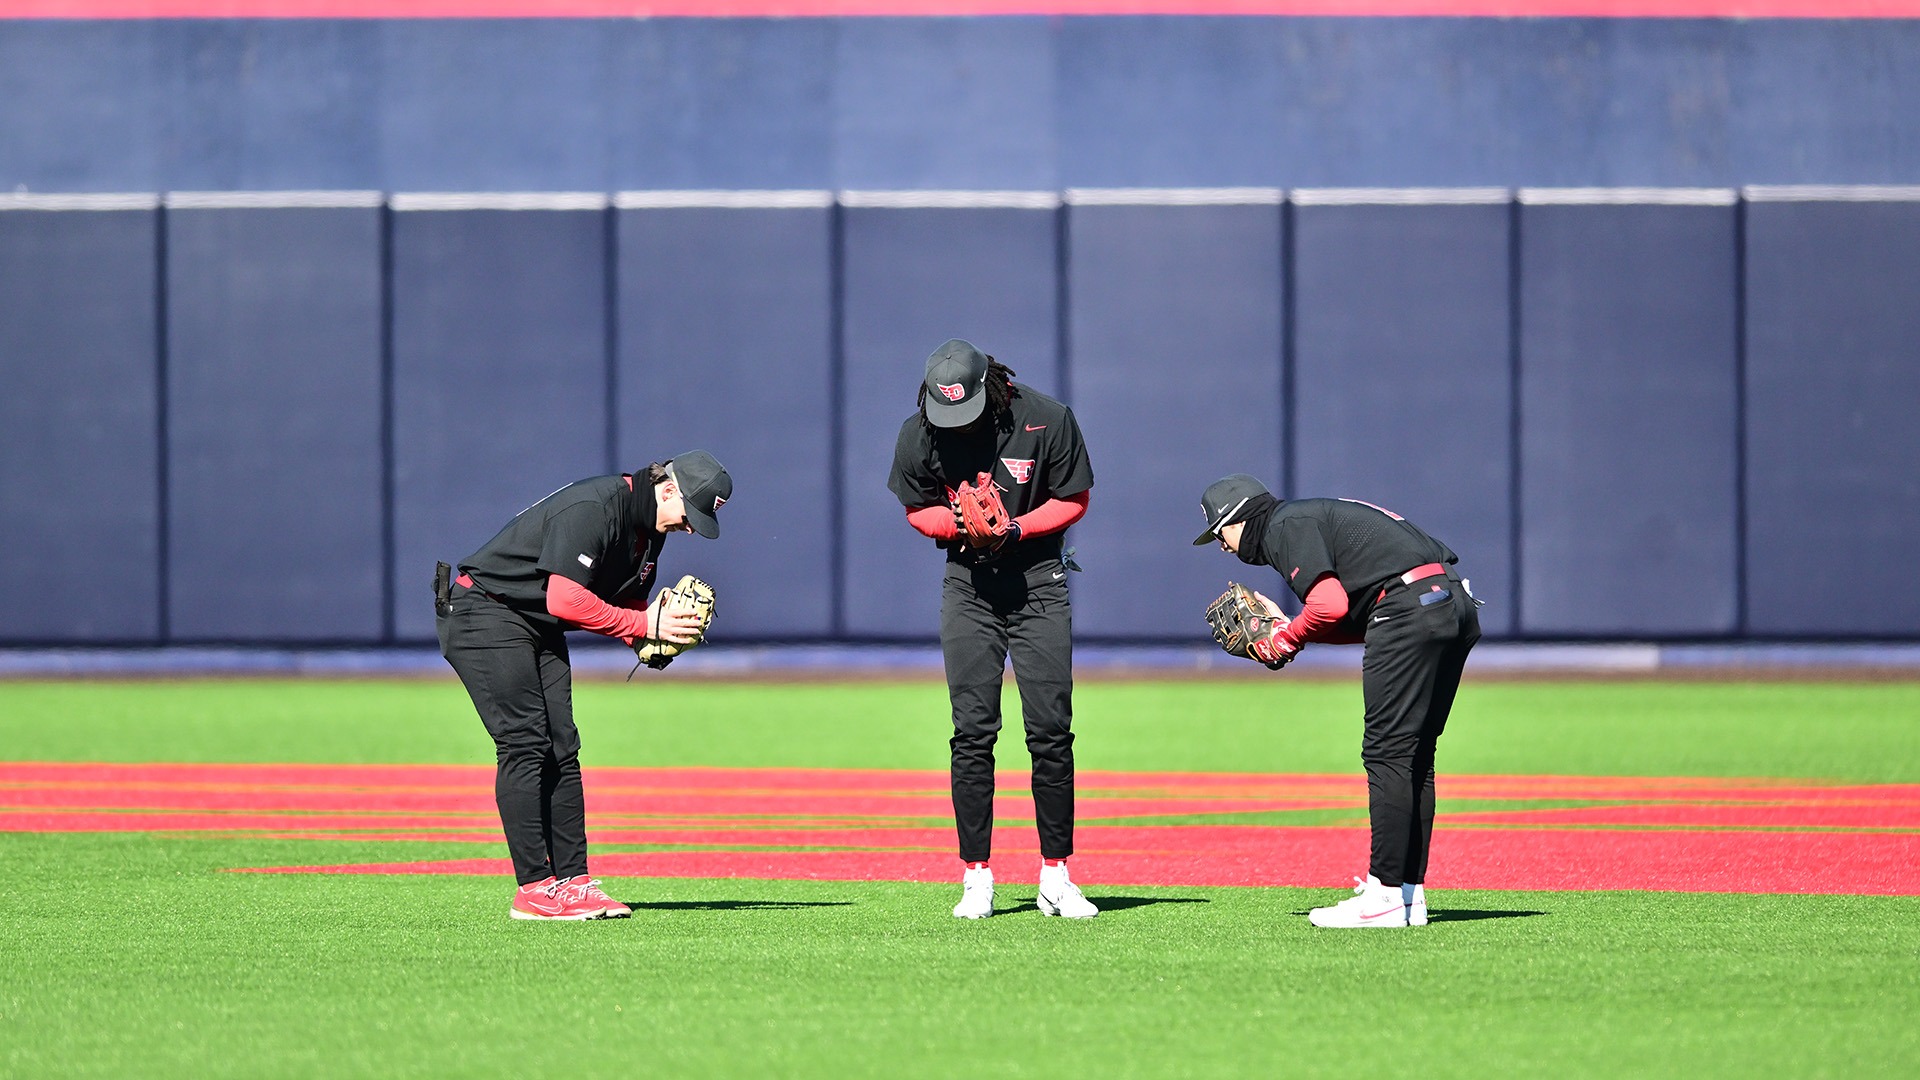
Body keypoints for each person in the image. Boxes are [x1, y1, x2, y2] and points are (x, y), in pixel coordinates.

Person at [436, 451, 732, 920]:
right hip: (485, 612)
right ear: (668, 488)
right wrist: (643, 624)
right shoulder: (597, 507)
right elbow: (565, 597)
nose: (690, 528)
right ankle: (535, 889)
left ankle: (574, 883)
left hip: (534, 622)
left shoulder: (649, 532)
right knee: (524, 742)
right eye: (689, 514)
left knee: (562, 746)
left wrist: (650, 638)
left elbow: (626, 604)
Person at [1193, 474, 1479, 928]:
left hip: (1408, 609)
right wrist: (1295, 633)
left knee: (1387, 754)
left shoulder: (1283, 526)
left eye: (1219, 533)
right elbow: (1354, 614)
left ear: (1239, 519)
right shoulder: (1305, 516)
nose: (1223, 547)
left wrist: (1285, 638)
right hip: (1450, 604)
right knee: (1415, 756)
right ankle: (1408, 895)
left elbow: (1328, 605)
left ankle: (1384, 895)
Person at [887, 339, 1098, 919]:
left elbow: (1074, 498)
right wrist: (959, 524)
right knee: (972, 732)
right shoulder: (919, 432)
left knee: (1050, 731)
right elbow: (916, 509)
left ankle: (1056, 875)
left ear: (991, 386)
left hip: (1038, 582)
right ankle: (976, 876)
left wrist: (1017, 529)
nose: (955, 421)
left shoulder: (1047, 417)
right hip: (969, 586)